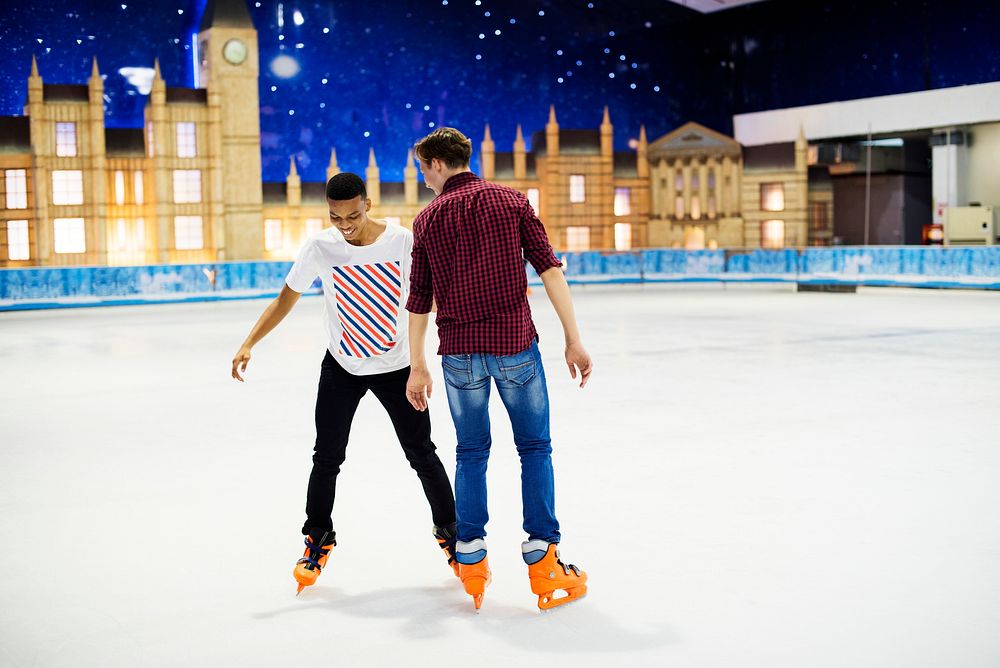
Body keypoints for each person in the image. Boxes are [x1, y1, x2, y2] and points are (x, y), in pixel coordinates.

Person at [231, 172, 458, 595]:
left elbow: (427, 298)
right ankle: (318, 538)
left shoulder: (402, 241)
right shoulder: (321, 247)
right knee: (326, 457)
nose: (346, 225)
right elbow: (285, 299)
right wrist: (249, 342)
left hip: (396, 368)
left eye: (352, 215)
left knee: (423, 454)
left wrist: (421, 365)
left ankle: (453, 535)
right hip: (342, 367)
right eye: (336, 217)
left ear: (368, 205)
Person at [404, 127, 592, 611]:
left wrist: (418, 366)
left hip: (459, 353)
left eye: (423, 168)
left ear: (440, 164)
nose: (423, 177)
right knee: (534, 448)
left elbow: (419, 301)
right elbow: (550, 269)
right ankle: (544, 561)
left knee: (470, 453)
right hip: (514, 348)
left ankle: (470, 558)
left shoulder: (426, 221)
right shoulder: (512, 202)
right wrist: (573, 338)